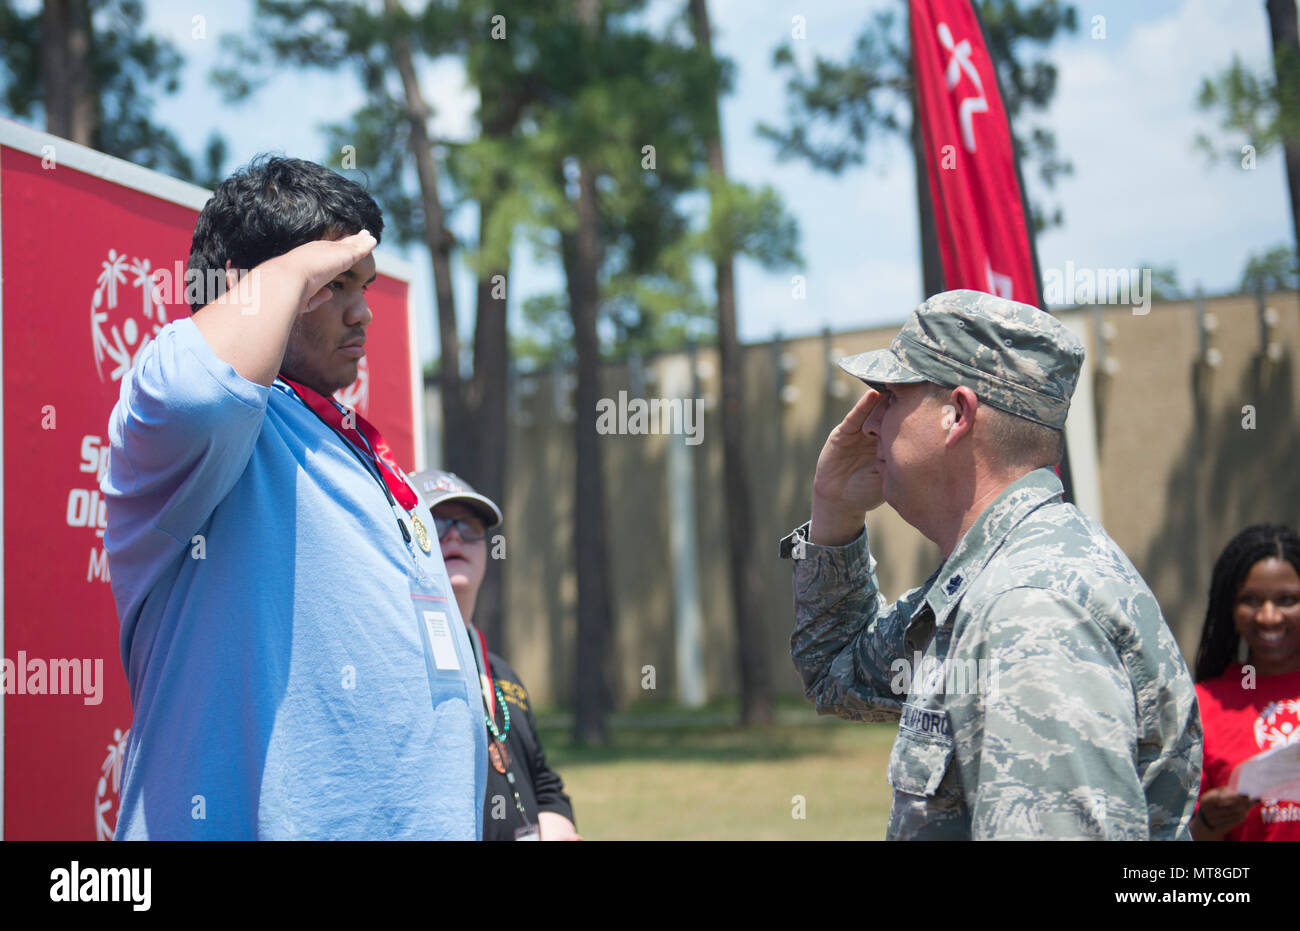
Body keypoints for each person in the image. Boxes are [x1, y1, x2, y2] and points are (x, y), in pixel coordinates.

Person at [102, 156, 485, 839]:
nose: (363, 310)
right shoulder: (195, 414)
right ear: (252, 285)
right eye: (334, 281)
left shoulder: (346, 439)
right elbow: (201, 393)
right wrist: (286, 269)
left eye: (362, 283)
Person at [781, 289, 1202, 840]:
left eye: (889, 396)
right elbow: (836, 673)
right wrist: (834, 511)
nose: (868, 425)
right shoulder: (994, 574)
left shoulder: (1027, 607)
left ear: (956, 414)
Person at [410, 468, 582, 841]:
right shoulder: (401, 667)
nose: (455, 534)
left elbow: (545, 783)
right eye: (436, 521)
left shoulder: (503, 674)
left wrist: (556, 823)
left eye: (471, 525)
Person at [1190, 524, 1300, 841]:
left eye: (1287, 600)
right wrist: (1209, 824)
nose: (1268, 616)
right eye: (1250, 600)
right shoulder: (1208, 704)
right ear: (1229, 606)